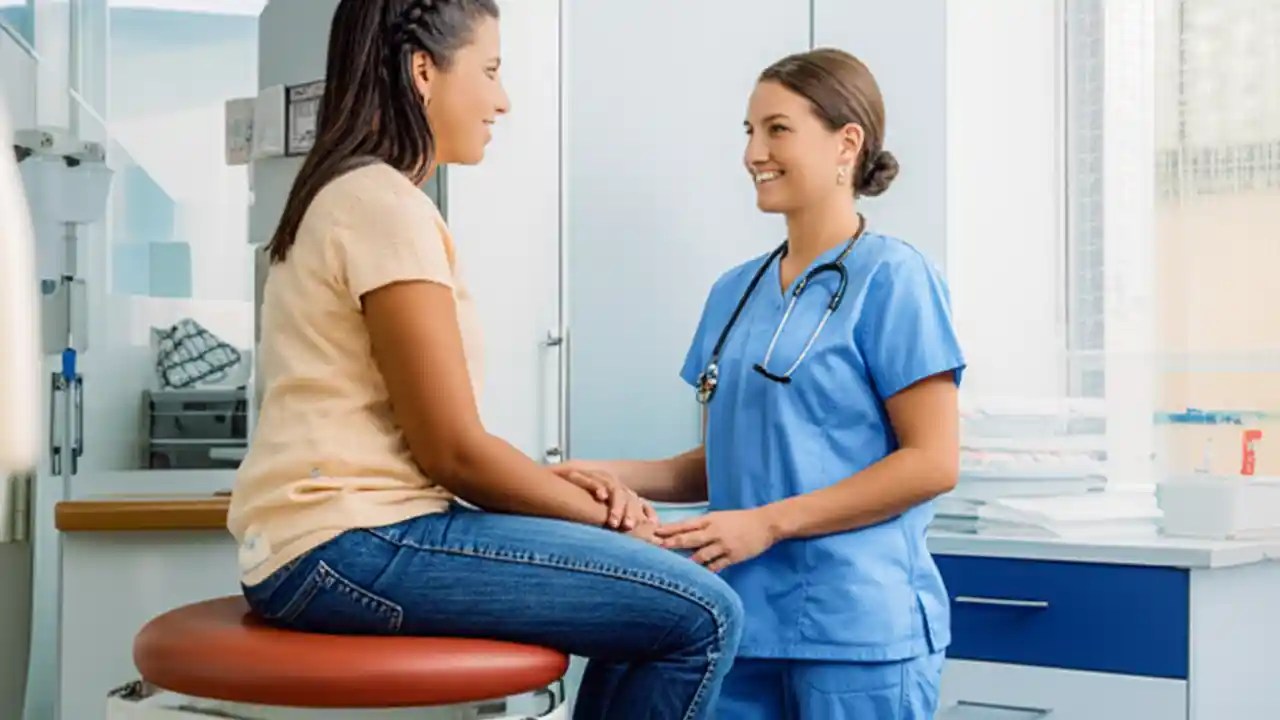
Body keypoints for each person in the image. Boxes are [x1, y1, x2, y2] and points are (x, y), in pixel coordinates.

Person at [226, 2, 742, 718]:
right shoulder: (381, 206)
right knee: (703, 612)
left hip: (323, 540)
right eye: (492, 71)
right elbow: (455, 454)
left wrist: (567, 497)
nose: (503, 99)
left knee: (649, 601)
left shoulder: (350, 195)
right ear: (423, 72)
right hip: (348, 546)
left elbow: (436, 444)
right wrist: (612, 520)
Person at [554, 48, 965, 719]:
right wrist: (597, 473)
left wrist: (768, 525)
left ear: (846, 143)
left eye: (777, 129)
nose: (753, 152)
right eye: (748, 131)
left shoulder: (895, 280)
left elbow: (931, 461)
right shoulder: (734, 293)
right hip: (739, 625)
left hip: (858, 631)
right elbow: (729, 462)